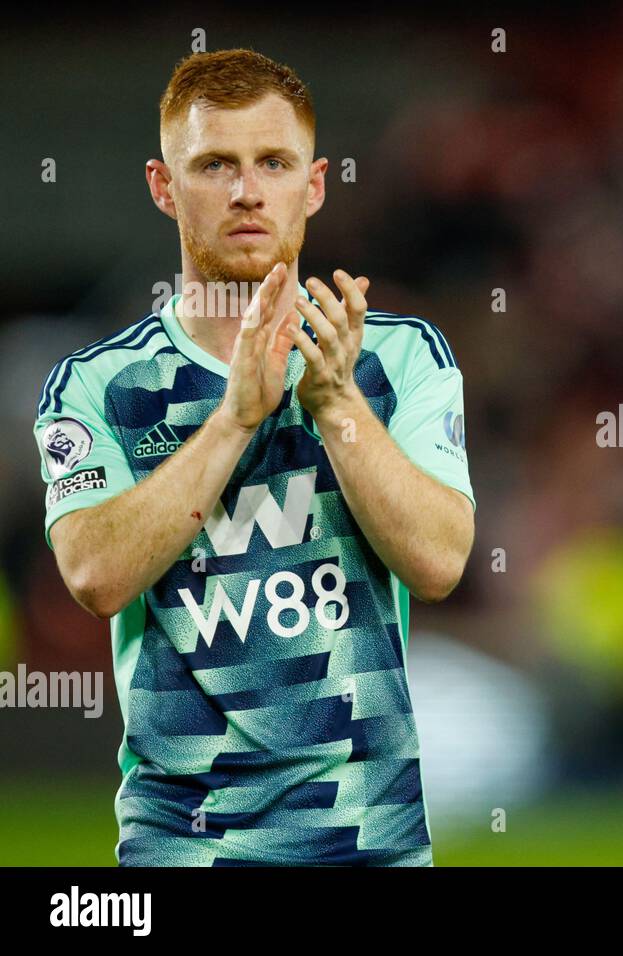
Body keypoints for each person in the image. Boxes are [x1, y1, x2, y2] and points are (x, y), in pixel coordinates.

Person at [32, 49, 475, 865]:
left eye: (273, 162)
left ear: (314, 184)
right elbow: (95, 575)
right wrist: (235, 419)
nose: (246, 191)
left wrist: (338, 404)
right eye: (214, 165)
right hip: (183, 845)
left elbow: (440, 560)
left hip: (368, 841)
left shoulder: (396, 359)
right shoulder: (102, 385)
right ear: (165, 188)